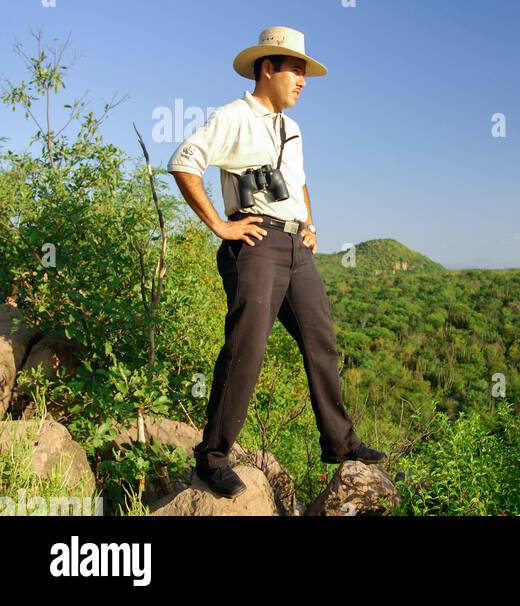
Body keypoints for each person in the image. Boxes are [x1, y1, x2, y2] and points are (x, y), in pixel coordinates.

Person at [168, 26, 385, 499]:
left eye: (306, 71)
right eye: (296, 70)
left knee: (321, 341)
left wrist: (309, 222)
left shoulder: (294, 127)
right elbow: (185, 161)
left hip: (294, 246)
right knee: (248, 346)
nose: (303, 80)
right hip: (256, 241)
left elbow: (299, 181)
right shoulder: (234, 116)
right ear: (268, 68)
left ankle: (341, 443)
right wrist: (221, 226)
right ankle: (213, 456)